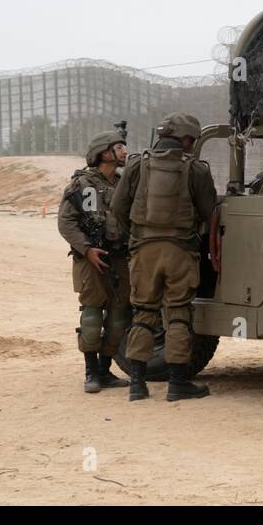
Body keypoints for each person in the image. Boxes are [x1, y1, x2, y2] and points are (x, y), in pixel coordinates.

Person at [110, 113, 217, 402]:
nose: (193, 145)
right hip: (180, 251)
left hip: (144, 250)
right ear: (184, 139)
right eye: (192, 140)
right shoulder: (196, 169)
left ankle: (136, 384)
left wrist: (136, 235)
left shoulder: (136, 164)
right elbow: (210, 213)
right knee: (179, 314)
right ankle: (177, 384)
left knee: (143, 313)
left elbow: (118, 207)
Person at [57, 130, 130, 393]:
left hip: (119, 257)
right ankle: (91, 373)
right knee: (91, 316)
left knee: (118, 317)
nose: (123, 151)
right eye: (118, 147)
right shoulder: (82, 185)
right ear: (103, 153)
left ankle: (105, 370)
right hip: (90, 259)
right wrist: (87, 249)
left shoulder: (124, 184)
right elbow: (66, 222)